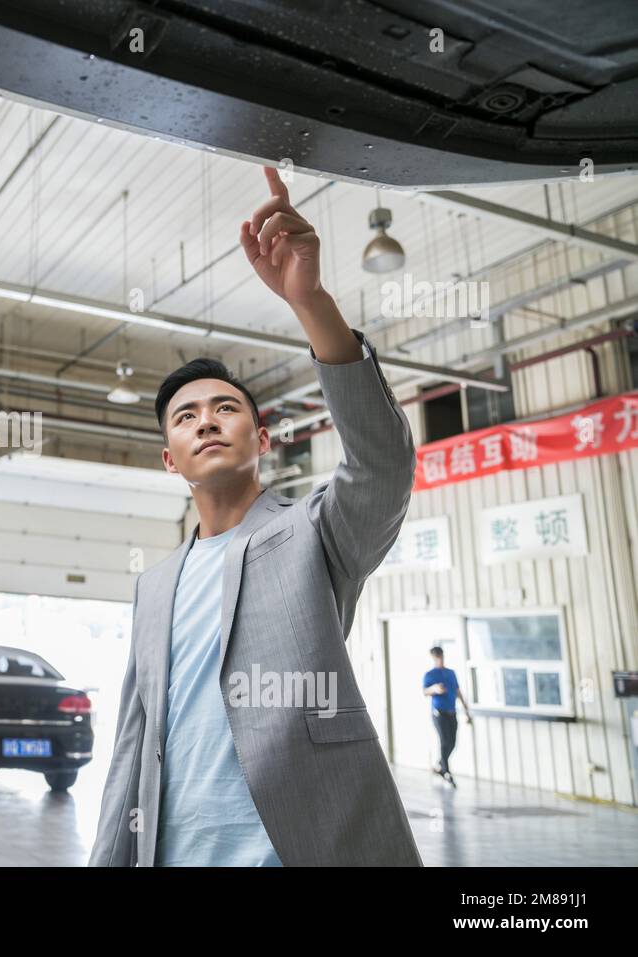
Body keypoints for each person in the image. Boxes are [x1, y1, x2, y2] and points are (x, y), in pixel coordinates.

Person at [90, 167, 423, 866]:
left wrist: (311, 303)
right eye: (186, 417)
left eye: (226, 408)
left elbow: (382, 464)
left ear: (263, 440)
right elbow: (132, 744)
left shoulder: (314, 536)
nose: (206, 420)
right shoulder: (155, 586)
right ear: (170, 460)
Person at [423, 646, 473, 787]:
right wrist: (435, 689)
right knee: (444, 740)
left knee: (452, 742)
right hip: (439, 714)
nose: (440, 659)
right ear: (433, 658)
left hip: (452, 712)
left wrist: (466, 710)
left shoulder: (451, 673)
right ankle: (446, 772)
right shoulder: (430, 675)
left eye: (441, 656)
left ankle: (440, 765)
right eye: (437, 657)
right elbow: (425, 691)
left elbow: (458, 691)